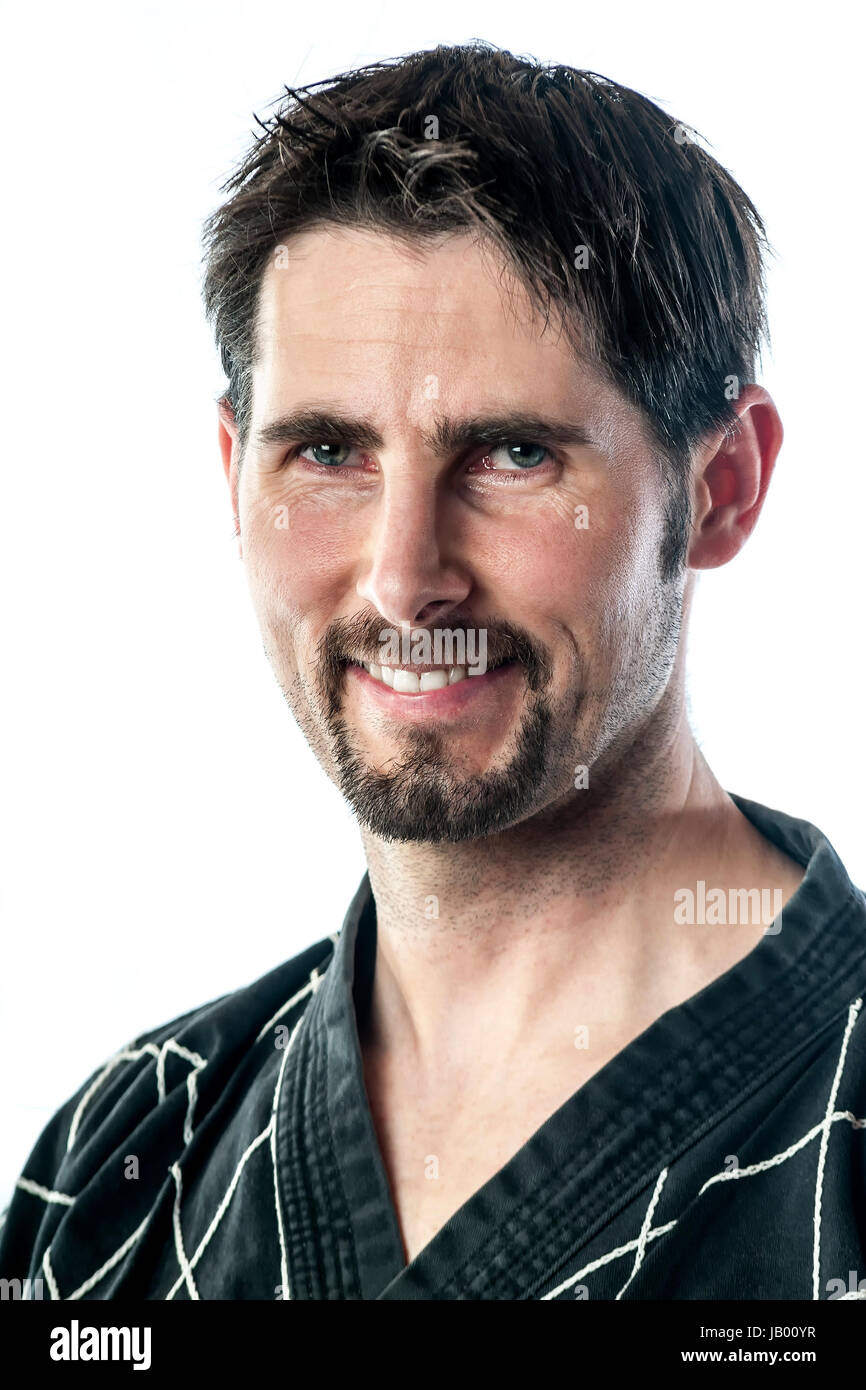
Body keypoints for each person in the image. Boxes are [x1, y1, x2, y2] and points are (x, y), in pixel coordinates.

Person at [2, 40, 864, 1302]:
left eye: (513, 452)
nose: (404, 578)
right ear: (232, 475)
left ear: (720, 485)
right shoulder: (114, 1176)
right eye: (328, 451)